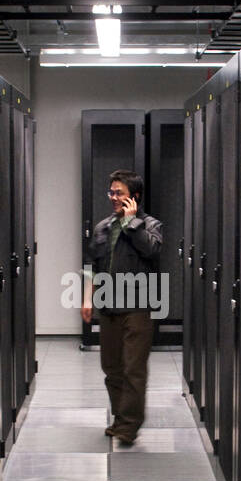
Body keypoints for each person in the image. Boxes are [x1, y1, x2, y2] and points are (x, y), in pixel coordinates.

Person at [81, 169, 163, 444]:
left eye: (120, 193)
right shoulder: (103, 227)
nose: (114, 197)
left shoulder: (150, 225)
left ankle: (129, 425)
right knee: (112, 367)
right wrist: (86, 298)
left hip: (138, 307)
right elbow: (92, 265)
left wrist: (131, 224)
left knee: (133, 368)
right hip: (109, 306)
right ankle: (120, 417)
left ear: (134, 197)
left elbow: (152, 251)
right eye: (112, 192)